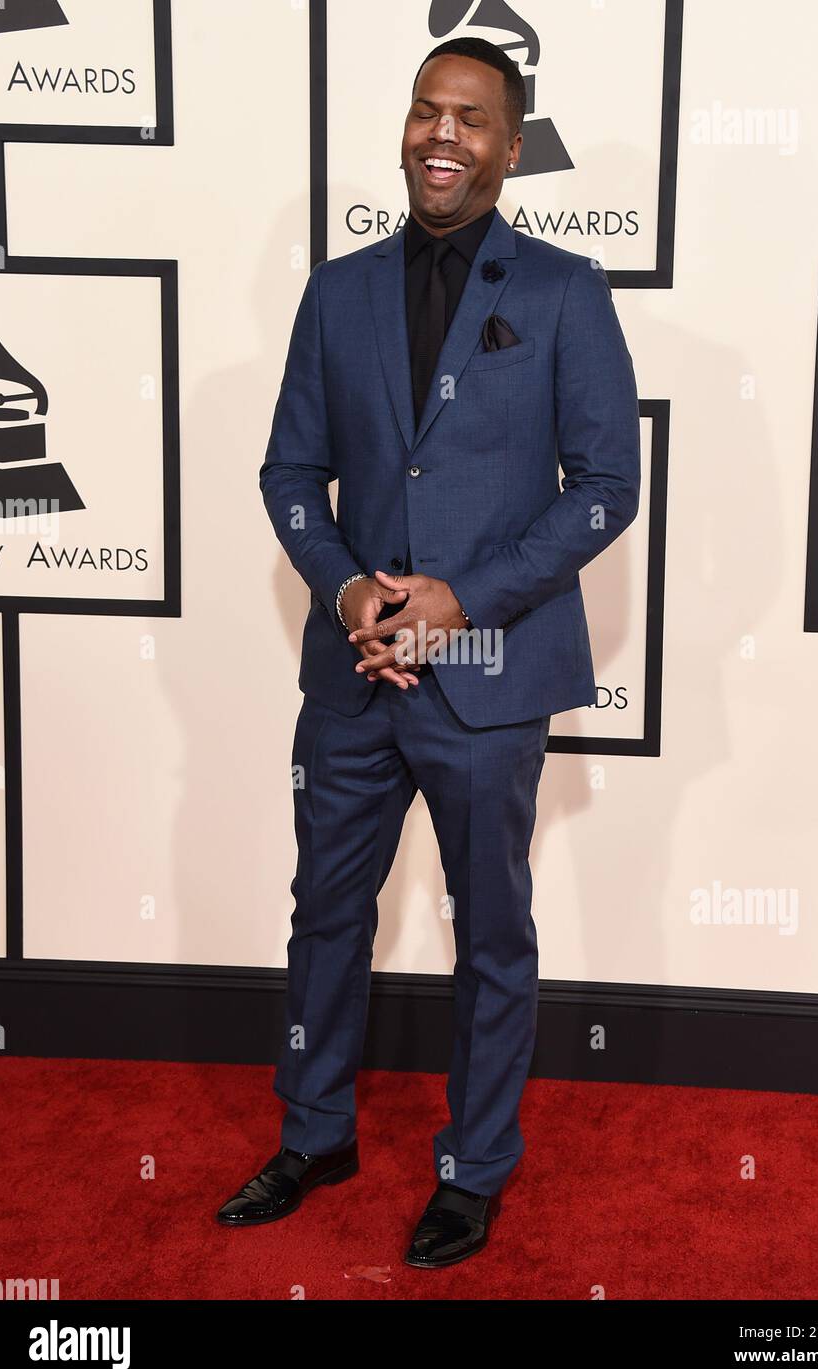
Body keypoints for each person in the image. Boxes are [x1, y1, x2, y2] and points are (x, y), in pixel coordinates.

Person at [216, 35, 641, 1269]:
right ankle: (316, 1133)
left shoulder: (563, 292)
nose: (439, 135)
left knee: (490, 928)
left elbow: (605, 489)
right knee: (323, 914)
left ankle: (475, 1167)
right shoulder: (336, 292)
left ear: (511, 150)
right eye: (423, 111)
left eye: (469, 118)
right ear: (405, 129)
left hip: (488, 674)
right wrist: (351, 591)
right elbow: (290, 469)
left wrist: (461, 598)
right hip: (351, 678)